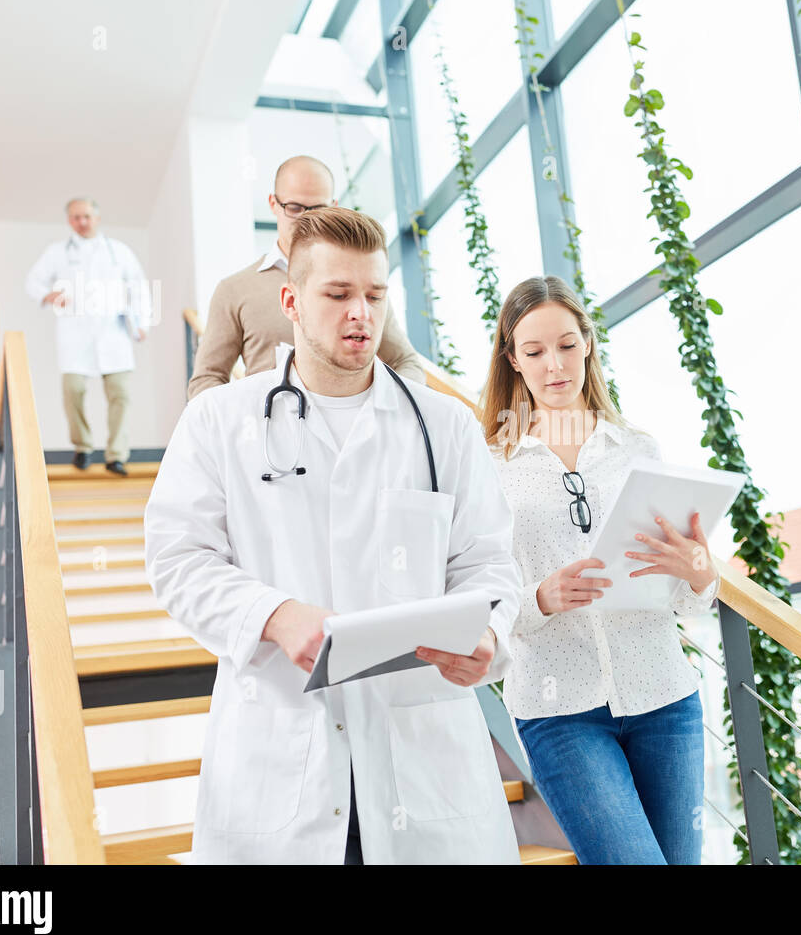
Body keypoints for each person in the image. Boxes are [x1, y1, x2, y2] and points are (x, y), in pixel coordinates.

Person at [144, 207, 523, 864]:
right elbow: (178, 559)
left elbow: (487, 560)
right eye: (339, 294)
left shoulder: (444, 426)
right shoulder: (218, 421)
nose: (361, 314)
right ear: (291, 300)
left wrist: (489, 634)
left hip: (422, 761)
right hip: (281, 761)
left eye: (375, 296)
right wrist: (275, 615)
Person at [480, 275, 719, 865]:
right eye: (534, 352)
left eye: (566, 345)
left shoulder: (637, 449)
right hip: (559, 714)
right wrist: (540, 596)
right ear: (513, 360)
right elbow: (481, 593)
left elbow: (689, 600)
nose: (554, 365)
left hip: (665, 696)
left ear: (587, 343)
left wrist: (696, 572)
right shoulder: (490, 465)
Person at [187, 155, 425, 400]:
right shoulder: (235, 290)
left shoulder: (360, 289)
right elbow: (207, 379)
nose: (305, 219)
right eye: (294, 208)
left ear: (333, 206)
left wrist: (391, 411)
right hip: (269, 429)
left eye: (318, 209)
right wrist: (245, 421)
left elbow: (404, 361)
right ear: (273, 204)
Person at [25, 197, 151, 475]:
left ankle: (116, 455)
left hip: (113, 333)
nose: (81, 222)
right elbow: (32, 281)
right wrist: (47, 294)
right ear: (69, 220)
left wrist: (143, 322)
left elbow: (139, 286)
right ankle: (82, 447)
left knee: (121, 394)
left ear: (97, 217)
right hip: (75, 333)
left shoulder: (118, 251)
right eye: (75, 217)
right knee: (73, 392)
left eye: (86, 216)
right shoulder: (57, 252)